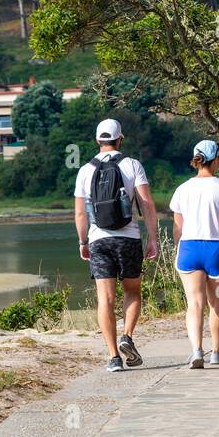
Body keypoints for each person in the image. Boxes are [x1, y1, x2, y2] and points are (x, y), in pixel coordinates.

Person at [74, 118, 160, 372]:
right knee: (132, 291)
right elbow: (146, 203)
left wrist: (83, 241)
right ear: (120, 139)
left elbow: (80, 214)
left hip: (98, 239)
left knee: (105, 299)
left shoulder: (85, 170)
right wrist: (153, 237)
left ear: (98, 141)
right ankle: (127, 336)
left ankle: (113, 357)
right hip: (129, 237)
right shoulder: (132, 165)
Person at [170, 139, 219, 369]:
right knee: (218, 303)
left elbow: (177, 227)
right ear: (216, 161)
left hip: (190, 249)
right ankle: (217, 352)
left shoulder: (182, 189)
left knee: (194, 303)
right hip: (218, 252)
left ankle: (196, 351)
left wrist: (177, 248)